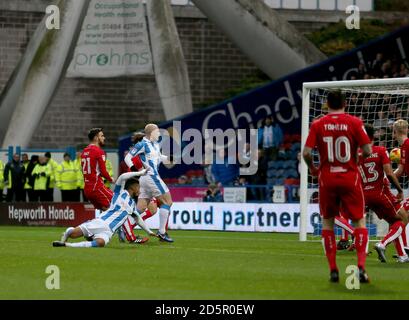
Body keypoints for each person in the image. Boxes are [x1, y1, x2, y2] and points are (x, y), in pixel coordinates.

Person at [303, 90, 372, 283]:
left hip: (327, 178)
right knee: (359, 221)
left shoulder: (318, 124)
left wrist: (313, 169)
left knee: (328, 222)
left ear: (327, 104)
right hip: (350, 177)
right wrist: (357, 161)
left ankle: (333, 269)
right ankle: (361, 267)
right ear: (345, 103)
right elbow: (368, 149)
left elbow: (307, 153)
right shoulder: (355, 122)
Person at [52, 171, 155, 248]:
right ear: (132, 187)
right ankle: (65, 236)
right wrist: (140, 172)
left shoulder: (132, 204)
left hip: (109, 231)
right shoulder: (120, 193)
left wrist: (148, 231)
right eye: (139, 187)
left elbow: (137, 218)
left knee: (100, 243)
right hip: (101, 222)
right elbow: (122, 177)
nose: (140, 190)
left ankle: (67, 245)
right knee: (73, 234)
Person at [359, 124, 409, 263]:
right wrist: (399, 190)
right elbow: (389, 174)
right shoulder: (381, 150)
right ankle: (382, 244)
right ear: (374, 136)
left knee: (393, 222)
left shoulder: (358, 155)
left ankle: (403, 255)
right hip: (381, 193)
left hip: (366, 196)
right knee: (402, 219)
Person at [125, 123, 174, 242]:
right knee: (168, 202)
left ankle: (126, 225)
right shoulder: (142, 144)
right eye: (157, 131)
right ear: (151, 133)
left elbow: (158, 156)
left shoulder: (155, 145)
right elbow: (127, 158)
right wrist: (135, 170)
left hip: (145, 179)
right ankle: (162, 232)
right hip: (151, 176)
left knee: (141, 208)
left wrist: (169, 158)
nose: (159, 134)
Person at [81, 128, 114, 211]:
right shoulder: (99, 151)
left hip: (87, 189)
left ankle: (100, 224)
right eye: (102, 136)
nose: (104, 138)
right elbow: (103, 172)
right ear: (96, 138)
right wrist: (111, 179)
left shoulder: (84, 151)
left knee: (105, 210)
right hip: (97, 187)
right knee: (116, 203)